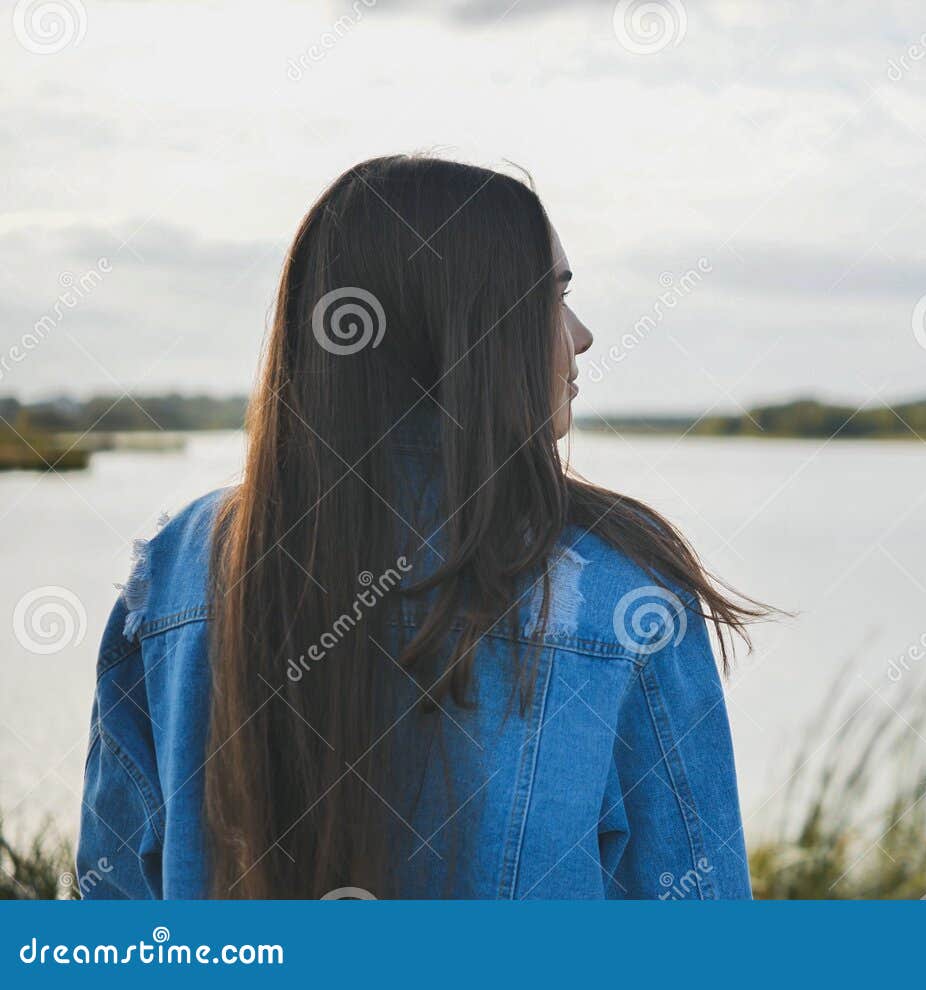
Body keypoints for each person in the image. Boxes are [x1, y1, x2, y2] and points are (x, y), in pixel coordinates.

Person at [78, 156, 764, 899]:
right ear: (468, 329)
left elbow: (112, 908)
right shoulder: (618, 589)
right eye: (553, 298)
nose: (583, 335)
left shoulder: (182, 565)